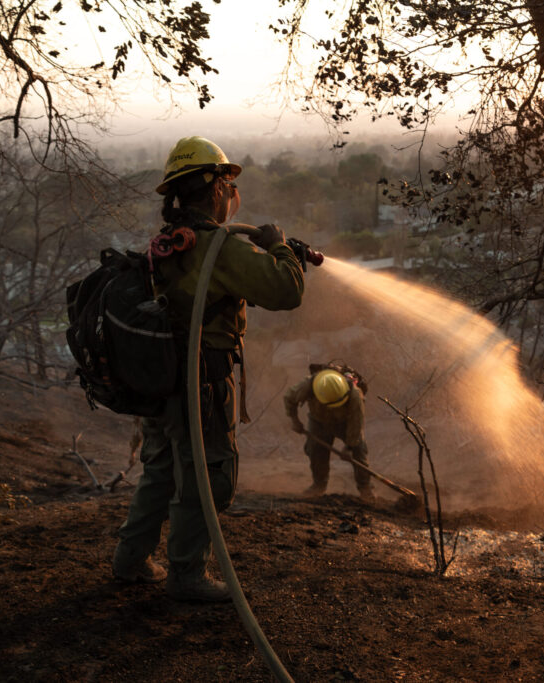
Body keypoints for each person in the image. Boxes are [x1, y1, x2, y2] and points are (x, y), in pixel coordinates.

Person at [111, 136, 305, 603]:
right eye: (227, 185)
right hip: (201, 384)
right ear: (216, 188)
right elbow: (286, 290)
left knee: (161, 470)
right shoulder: (218, 247)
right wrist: (279, 247)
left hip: (160, 381)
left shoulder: (168, 244)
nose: (231, 195)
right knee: (208, 475)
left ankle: (130, 560)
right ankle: (186, 576)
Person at [283, 365, 373, 501]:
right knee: (315, 450)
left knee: (359, 450)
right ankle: (318, 485)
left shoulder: (355, 395)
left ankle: (365, 488)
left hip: (345, 424)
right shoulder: (309, 385)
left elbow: (356, 424)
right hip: (318, 422)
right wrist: (295, 420)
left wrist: (349, 447)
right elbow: (289, 398)